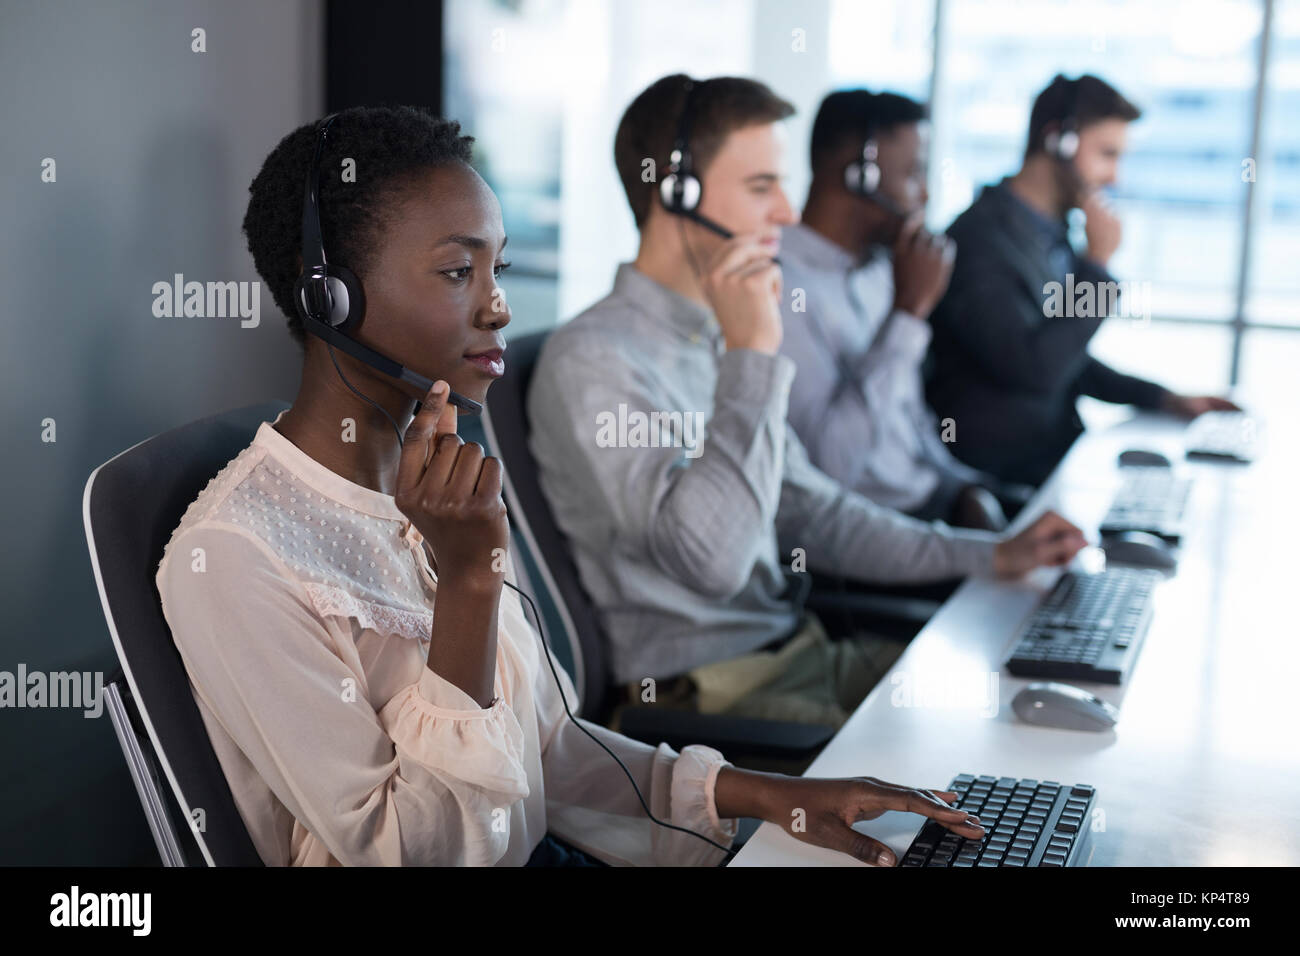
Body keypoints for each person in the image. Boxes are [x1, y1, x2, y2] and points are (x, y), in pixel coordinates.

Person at [154, 105, 992, 867]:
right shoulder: (232, 557)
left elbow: (540, 746)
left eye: (498, 269)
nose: (498, 307)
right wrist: (470, 584)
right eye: (458, 274)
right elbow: (418, 853)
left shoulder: (442, 478)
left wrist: (775, 797)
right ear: (328, 297)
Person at [527, 75, 1086, 733]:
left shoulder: (713, 335)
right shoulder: (597, 361)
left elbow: (812, 511)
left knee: (1013, 693)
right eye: (762, 187)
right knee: (965, 742)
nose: (788, 213)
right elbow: (714, 562)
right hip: (706, 701)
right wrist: (753, 357)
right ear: (676, 192)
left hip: (801, 652)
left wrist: (987, 554)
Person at [926, 74, 1240, 487]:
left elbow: (1069, 359)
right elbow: (1036, 368)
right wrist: (1098, 267)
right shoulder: (979, 239)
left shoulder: (1049, 235)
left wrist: (1164, 398)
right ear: (1059, 141)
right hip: (997, 481)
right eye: (1107, 154)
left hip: (1051, 463)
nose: (1115, 178)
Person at [779, 89, 1032, 532]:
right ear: (859, 177)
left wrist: (966, 488)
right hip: (872, 534)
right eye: (914, 173)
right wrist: (908, 315)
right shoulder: (783, 288)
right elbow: (833, 465)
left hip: (934, 499)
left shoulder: (882, 270)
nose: (926, 194)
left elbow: (911, 427)